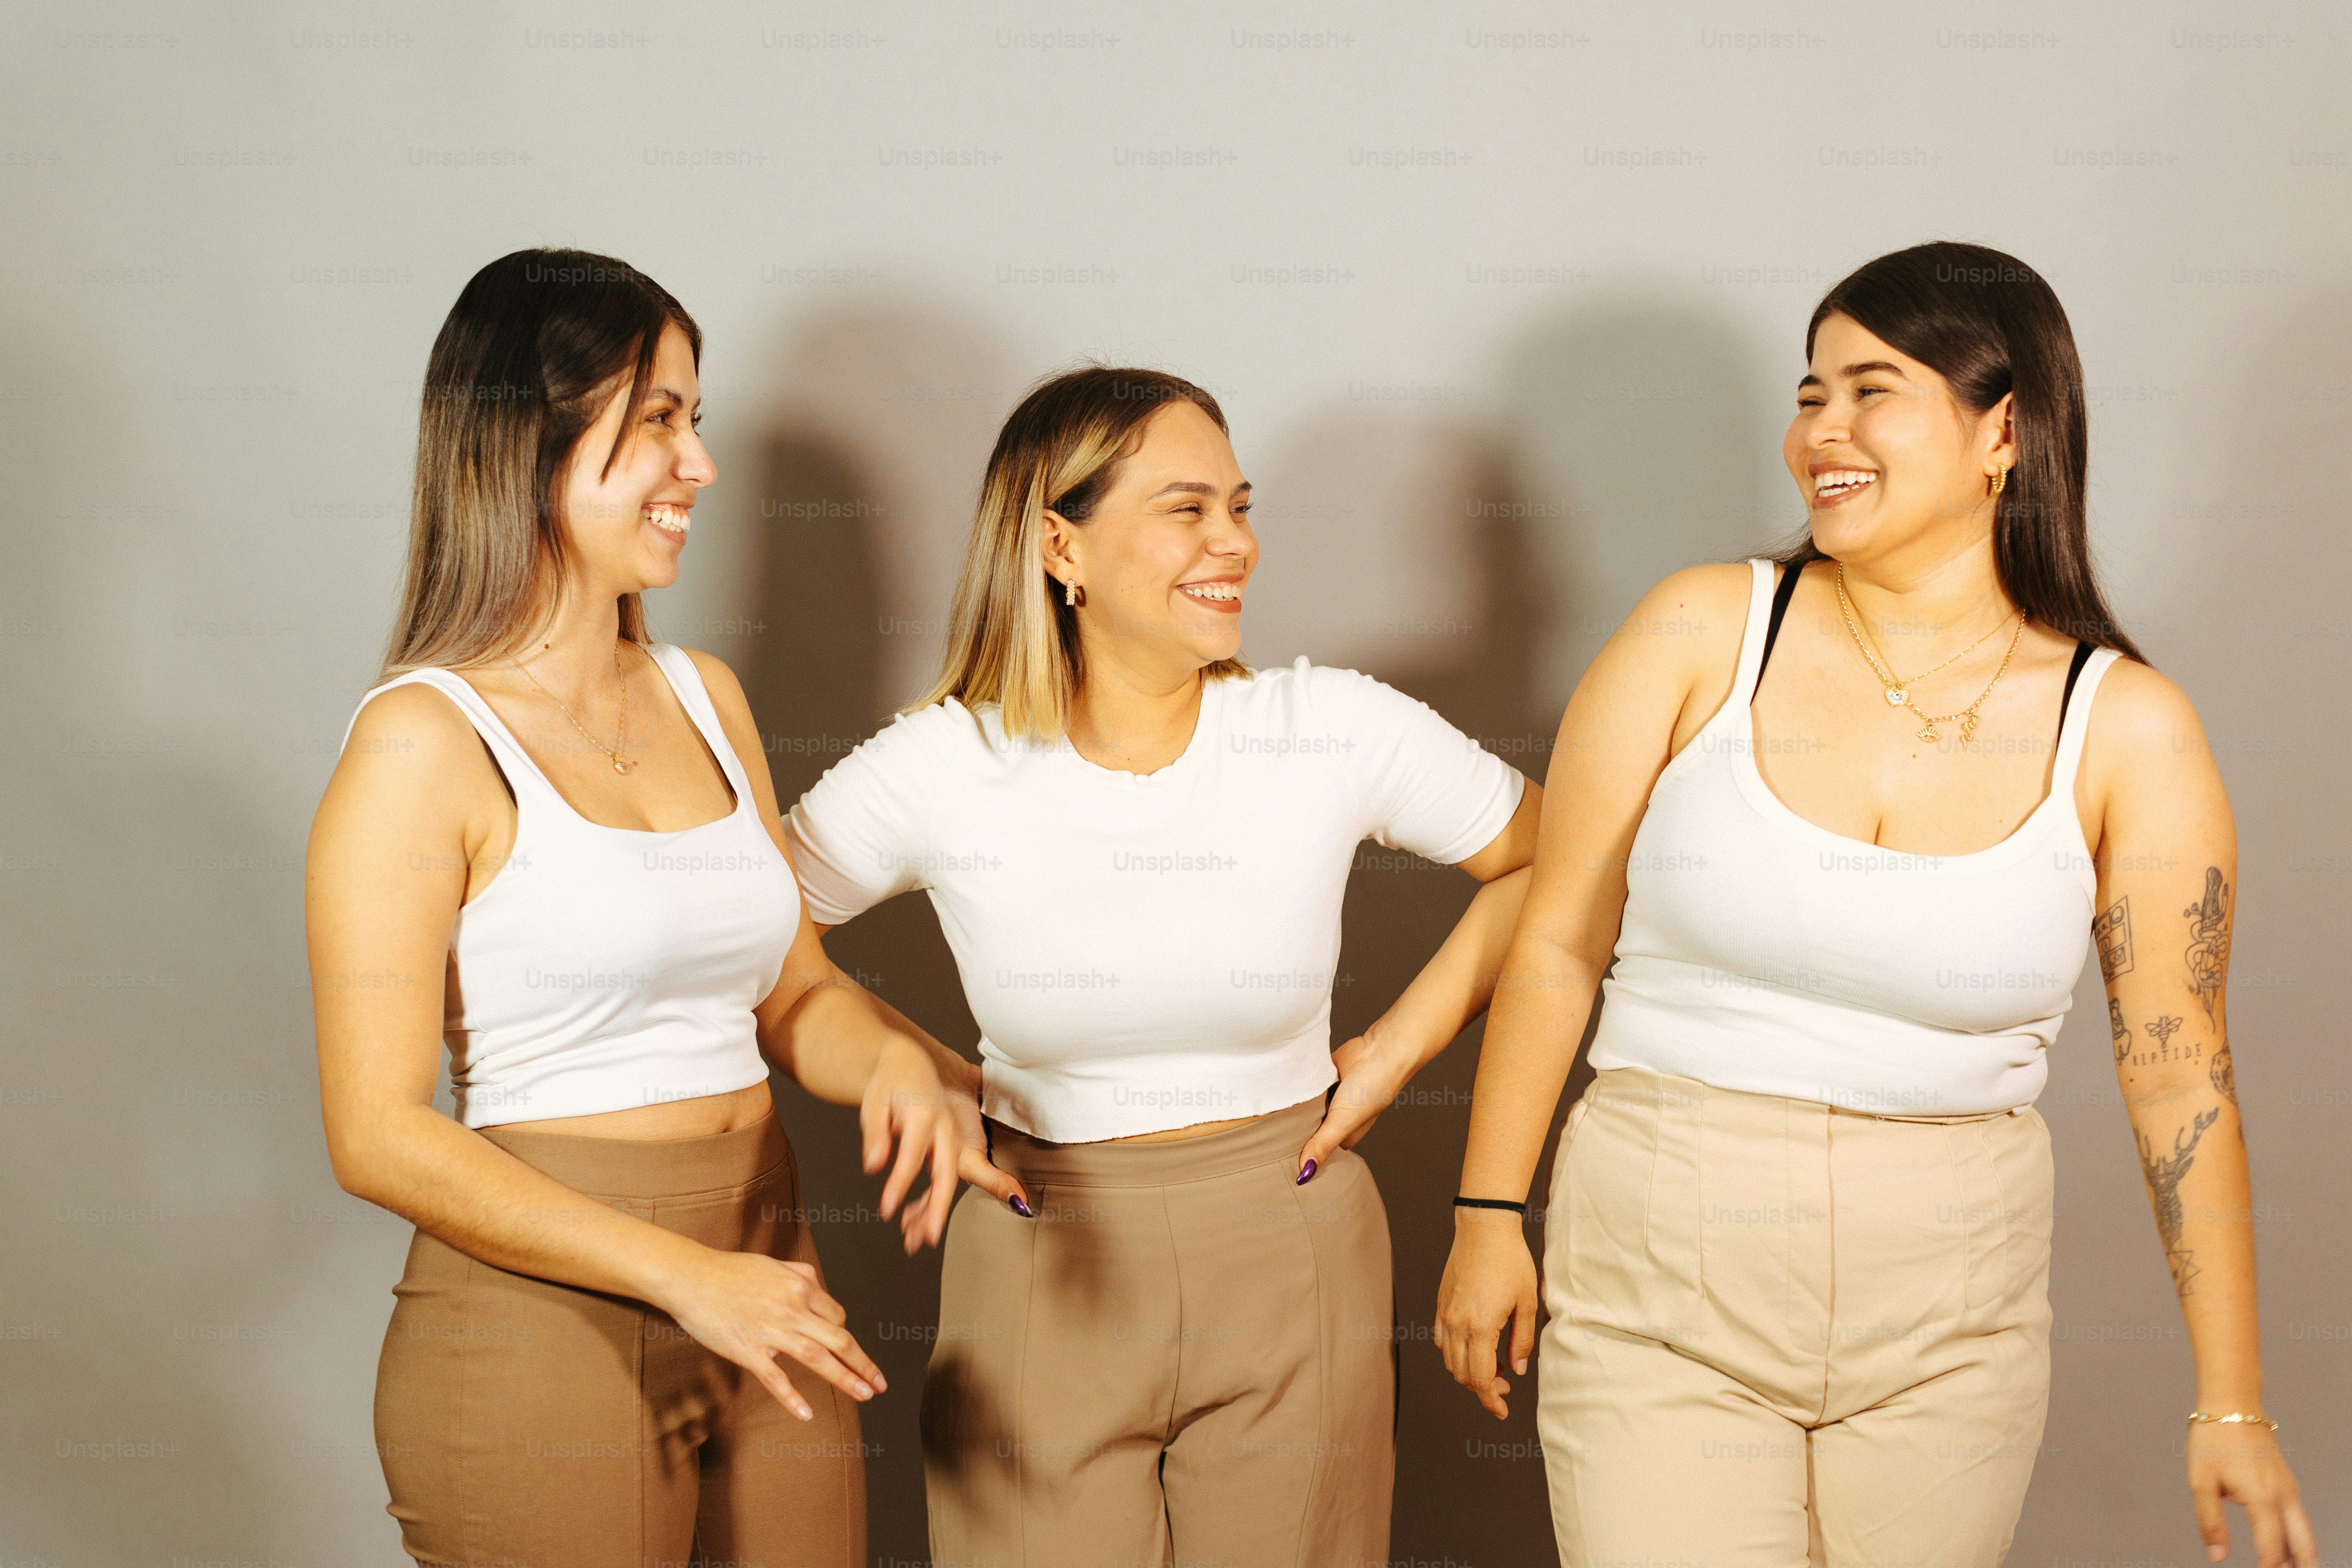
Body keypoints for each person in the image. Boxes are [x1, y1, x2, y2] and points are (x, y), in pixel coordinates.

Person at [1436, 241, 2319, 1568]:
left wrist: (2233, 1401)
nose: (1820, 434)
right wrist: (1488, 1214)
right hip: (1668, 1259)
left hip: (1952, 1312)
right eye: (1809, 395)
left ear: (2004, 431)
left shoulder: (2128, 729)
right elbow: (1560, 933)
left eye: (1871, 391)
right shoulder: (1701, 630)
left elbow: (2182, 1076)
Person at [781, 365, 1544, 1567]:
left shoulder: (1327, 727)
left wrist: (1396, 1051)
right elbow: (747, 946)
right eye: (1188, 509)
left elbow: (1553, 860)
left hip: (1296, 1250)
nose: (1232, 543)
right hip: (1042, 1255)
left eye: (1240, 508)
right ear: (1059, 547)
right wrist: (911, 1070)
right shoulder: (943, 766)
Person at [306, 247, 966, 1566]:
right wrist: (682, 1278)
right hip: (546, 1324)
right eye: (657, 419)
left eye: (696, 420)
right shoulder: (421, 745)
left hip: (767, 1270)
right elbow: (375, 1136)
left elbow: (797, 996)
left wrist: (895, 1061)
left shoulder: (704, 696)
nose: (698, 467)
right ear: (526, 442)